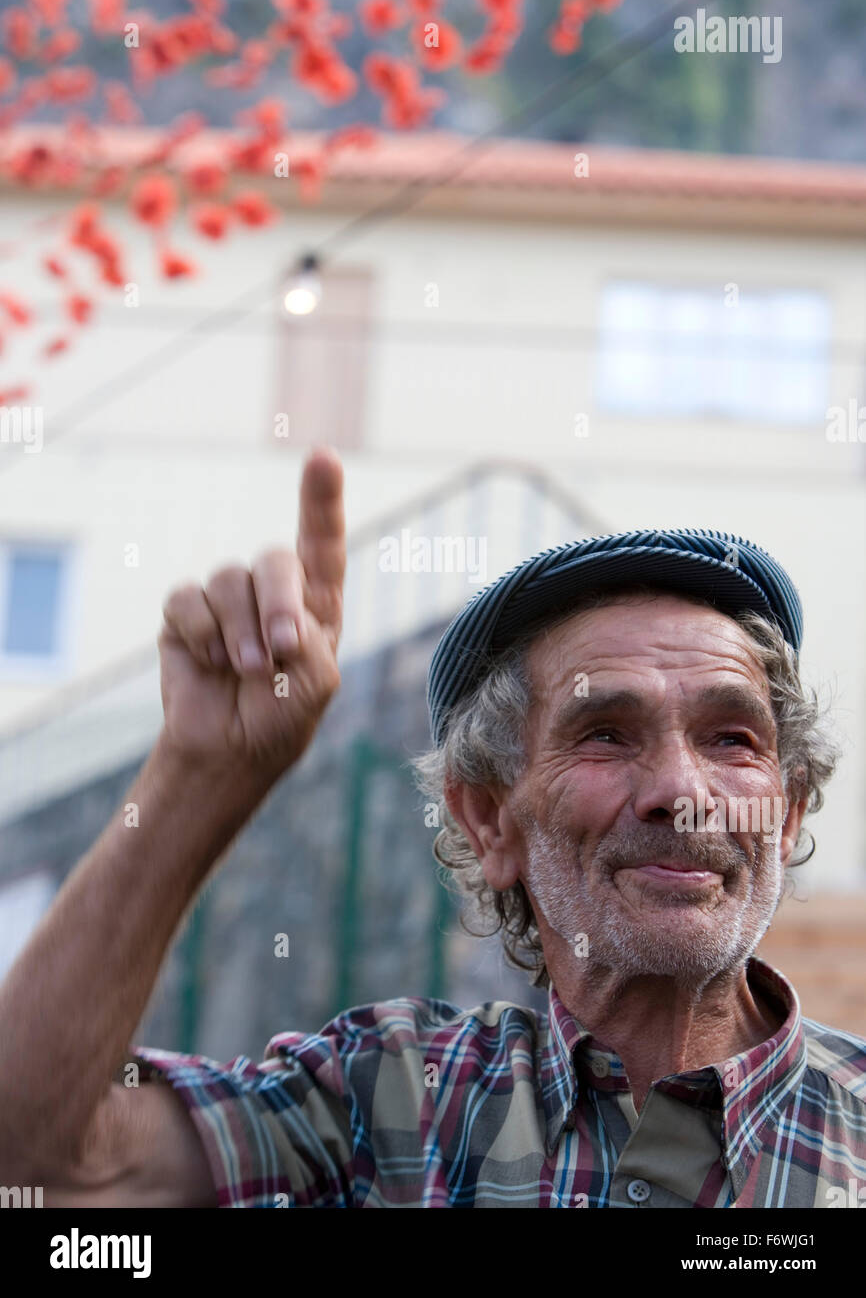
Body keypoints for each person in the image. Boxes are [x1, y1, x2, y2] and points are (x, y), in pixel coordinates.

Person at [0, 447, 864, 1208]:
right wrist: (199, 776)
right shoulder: (389, 1099)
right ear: (489, 821)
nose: (683, 789)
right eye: (604, 732)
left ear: (784, 815)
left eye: (732, 737)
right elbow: (40, 1167)